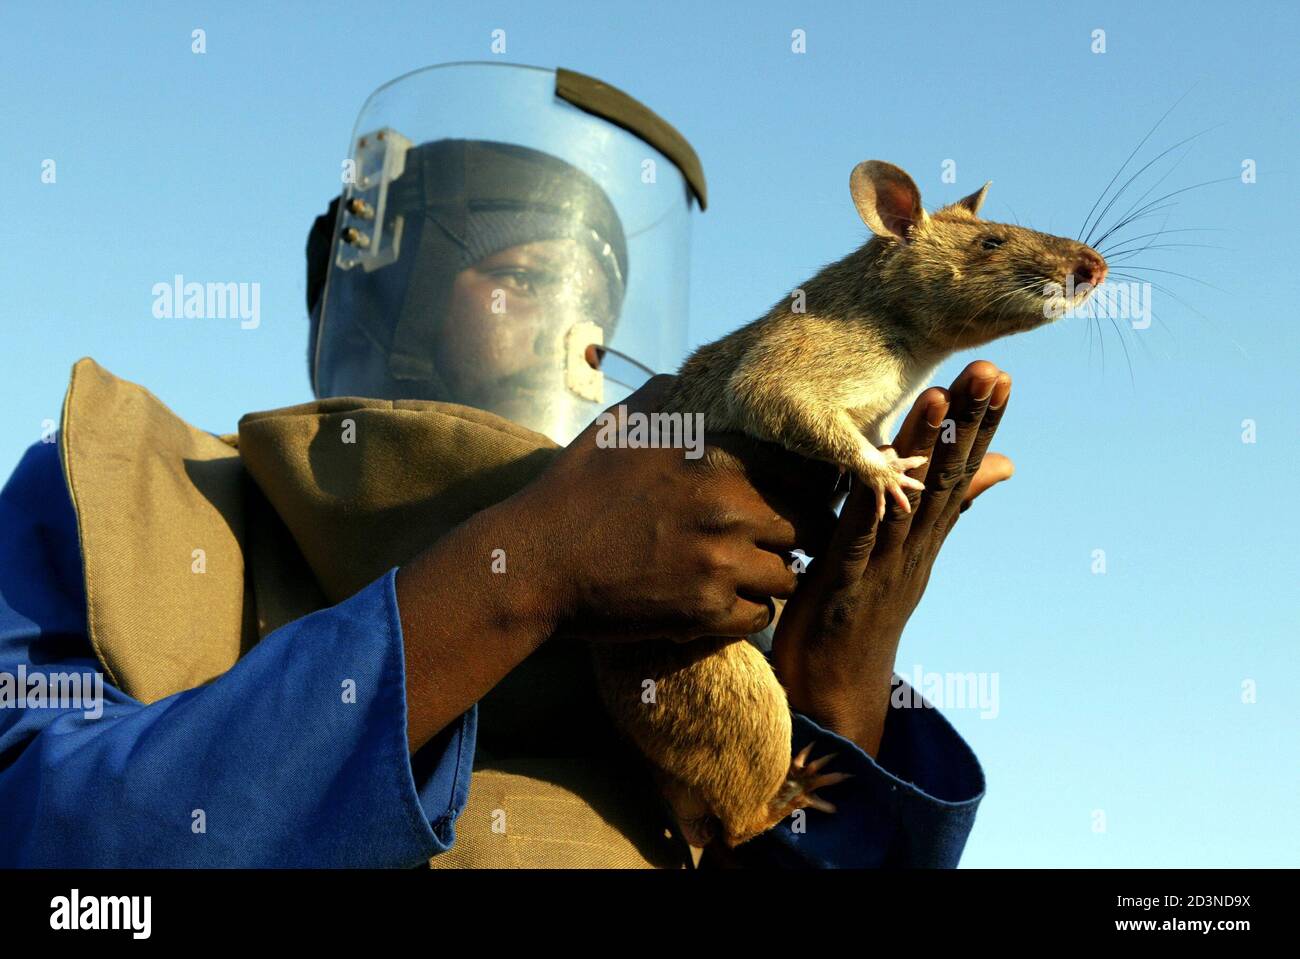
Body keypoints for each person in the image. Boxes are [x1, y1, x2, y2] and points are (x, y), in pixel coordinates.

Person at [0, 64, 1013, 868]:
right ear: (386, 284)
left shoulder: (697, 577)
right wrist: (527, 568)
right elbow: (61, 850)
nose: (571, 333)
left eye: (593, 306)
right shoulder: (125, 488)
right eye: (522, 277)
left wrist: (833, 688)